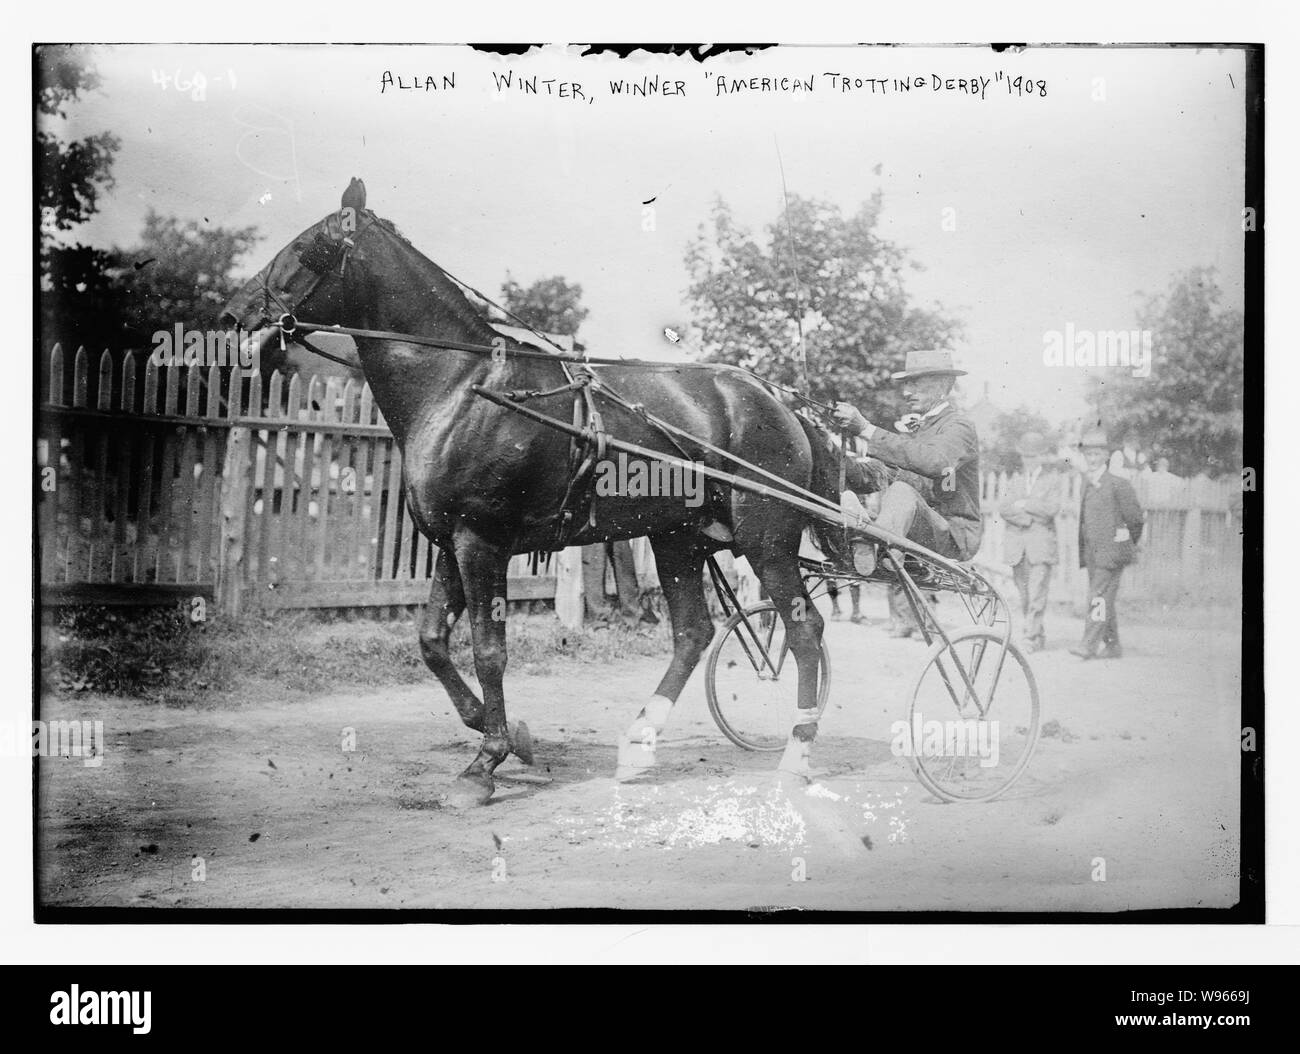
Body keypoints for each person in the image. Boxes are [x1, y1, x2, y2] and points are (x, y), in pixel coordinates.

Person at [832, 350, 982, 577]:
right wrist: (827, 447)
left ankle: (873, 540)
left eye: (915, 384)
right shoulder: (918, 432)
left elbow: (935, 463)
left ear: (943, 385)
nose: (906, 392)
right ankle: (875, 541)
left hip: (953, 536)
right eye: (905, 385)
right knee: (892, 489)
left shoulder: (959, 427)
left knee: (902, 491)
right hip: (911, 530)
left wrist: (866, 429)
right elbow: (881, 475)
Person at [1069, 429, 1145, 660]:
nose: (1092, 459)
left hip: (1111, 554)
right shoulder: (1087, 483)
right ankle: (1113, 646)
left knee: (1098, 598)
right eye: (1088, 455)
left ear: (1106, 456)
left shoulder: (1118, 484)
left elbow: (1135, 520)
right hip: (1092, 554)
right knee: (1104, 597)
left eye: (1097, 454)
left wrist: (1121, 543)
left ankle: (1088, 645)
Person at [998, 431, 1064, 652]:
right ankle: (1037, 634)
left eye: (1033, 456)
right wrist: (1027, 517)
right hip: (1018, 548)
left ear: (1042, 456)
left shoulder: (1052, 480)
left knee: (1037, 594)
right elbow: (1005, 508)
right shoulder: (1015, 480)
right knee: (1025, 595)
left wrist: (1024, 503)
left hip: (1041, 547)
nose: (1029, 460)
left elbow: (1051, 509)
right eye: (1025, 456)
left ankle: (1030, 636)